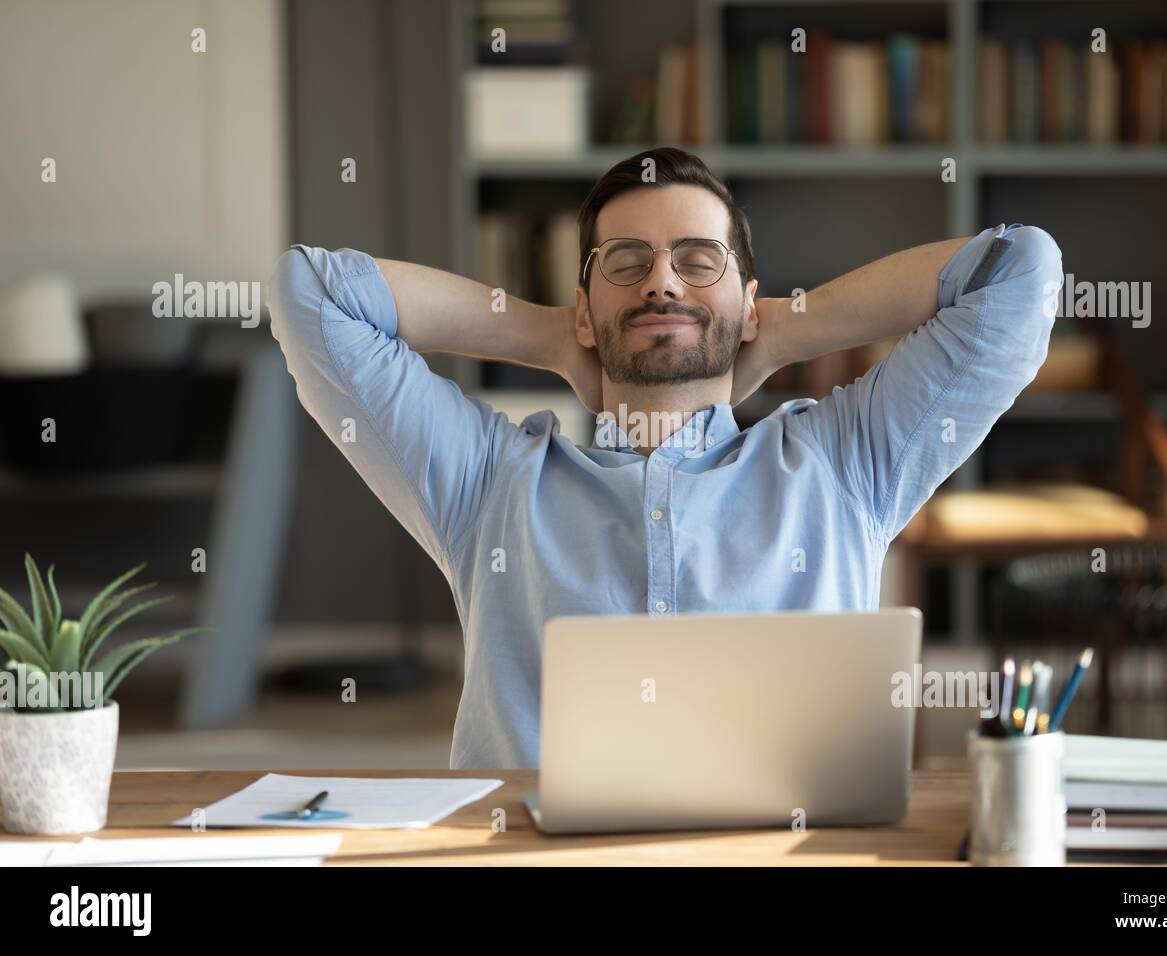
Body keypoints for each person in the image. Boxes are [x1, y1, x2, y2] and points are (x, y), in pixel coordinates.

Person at [267, 146, 1062, 769]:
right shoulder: (486, 482)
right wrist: (552, 335)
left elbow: (1020, 271)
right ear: (586, 306)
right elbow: (309, 294)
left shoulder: (844, 464)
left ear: (747, 299)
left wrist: (785, 326)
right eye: (626, 262)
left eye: (697, 260)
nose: (661, 284)